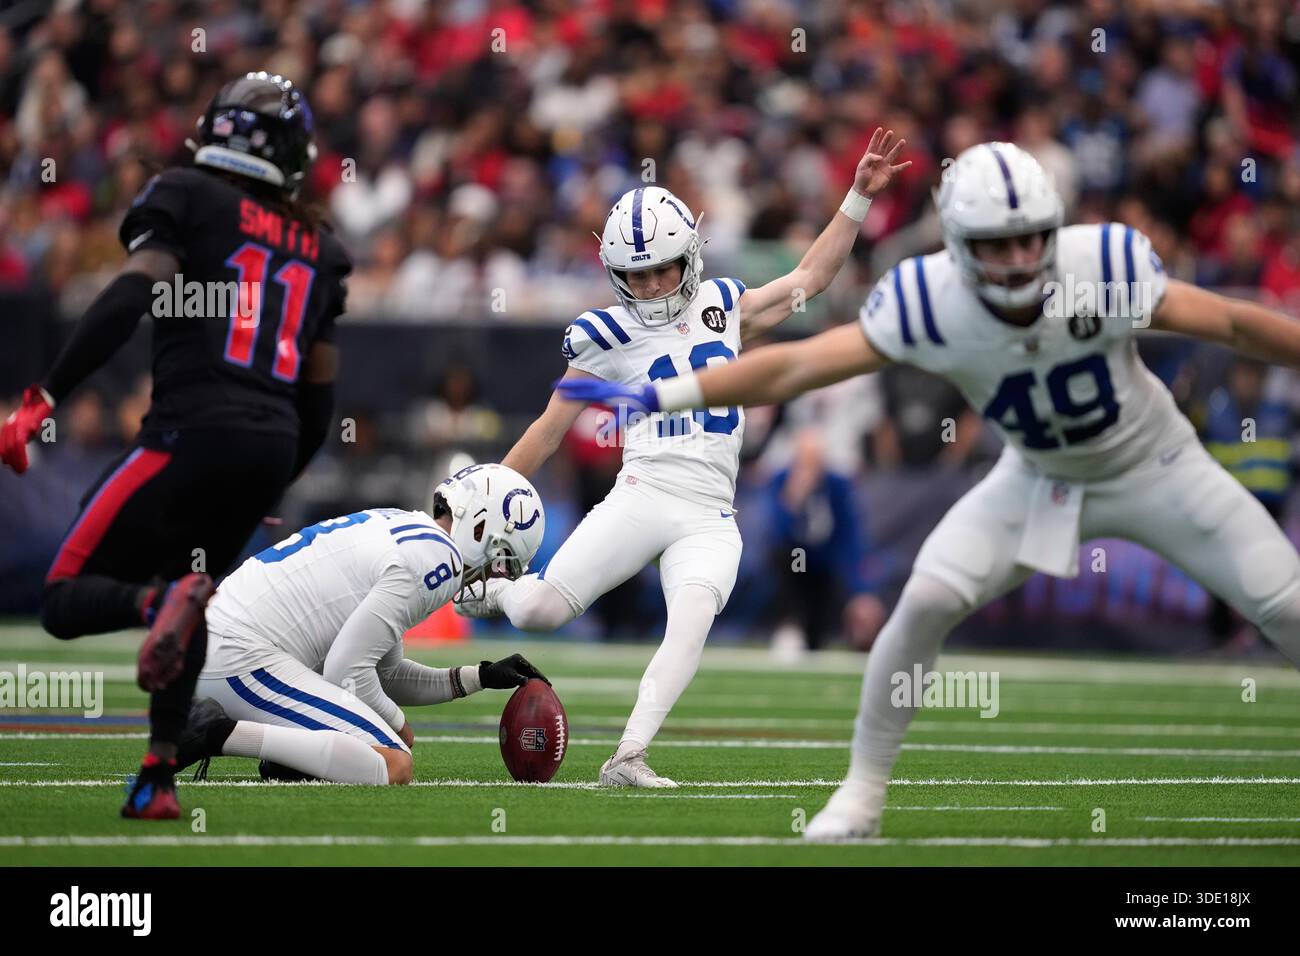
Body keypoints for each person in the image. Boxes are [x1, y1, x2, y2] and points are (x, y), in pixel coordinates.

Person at [557, 142, 1300, 837]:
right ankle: (861, 796)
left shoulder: (1100, 262)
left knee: (1284, 601)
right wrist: (668, 396)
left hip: (1155, 463)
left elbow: (1232, 322)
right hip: (1037, 473)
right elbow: (795, 367)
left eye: (1029, 238)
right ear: (955, 245)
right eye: (993, 245)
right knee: (925, 603)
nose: (1016, 260)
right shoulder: (930, 299)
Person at [457, 129, 910, 787]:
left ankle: (628, 756)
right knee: (540, 612)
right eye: (636, 275)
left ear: (690, 256)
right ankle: (490, 591)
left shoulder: (722, 306)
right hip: (643, 491)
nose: (652, 284)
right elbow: (551, 429)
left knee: (691, 620)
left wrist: (857, 200)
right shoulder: (604, 334)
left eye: (664, 268)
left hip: (710, 511)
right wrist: (484, 496)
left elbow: (809, 279)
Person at [0, 73, 351, 818]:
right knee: (191, 603)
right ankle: (157, 778)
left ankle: (159, 601)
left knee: (64, 599)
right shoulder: (321, 249)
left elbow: (130, 295)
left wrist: (46, 394)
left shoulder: (188, 195)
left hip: (189, 431)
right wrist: (272, 482)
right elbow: (320, 402)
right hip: (269, 446)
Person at [176, 463, 549, 786]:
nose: (490, 574)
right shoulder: (439, 559)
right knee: (393, 762)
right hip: (240, 654)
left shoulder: (406, 527)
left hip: (219, 639)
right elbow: (346, 669)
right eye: (499, 559)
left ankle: (295, 756)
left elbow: (384, 672)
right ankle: (216, 732)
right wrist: (398, 723)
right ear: (480, 529)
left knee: (377, 749)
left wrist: (479, 676)